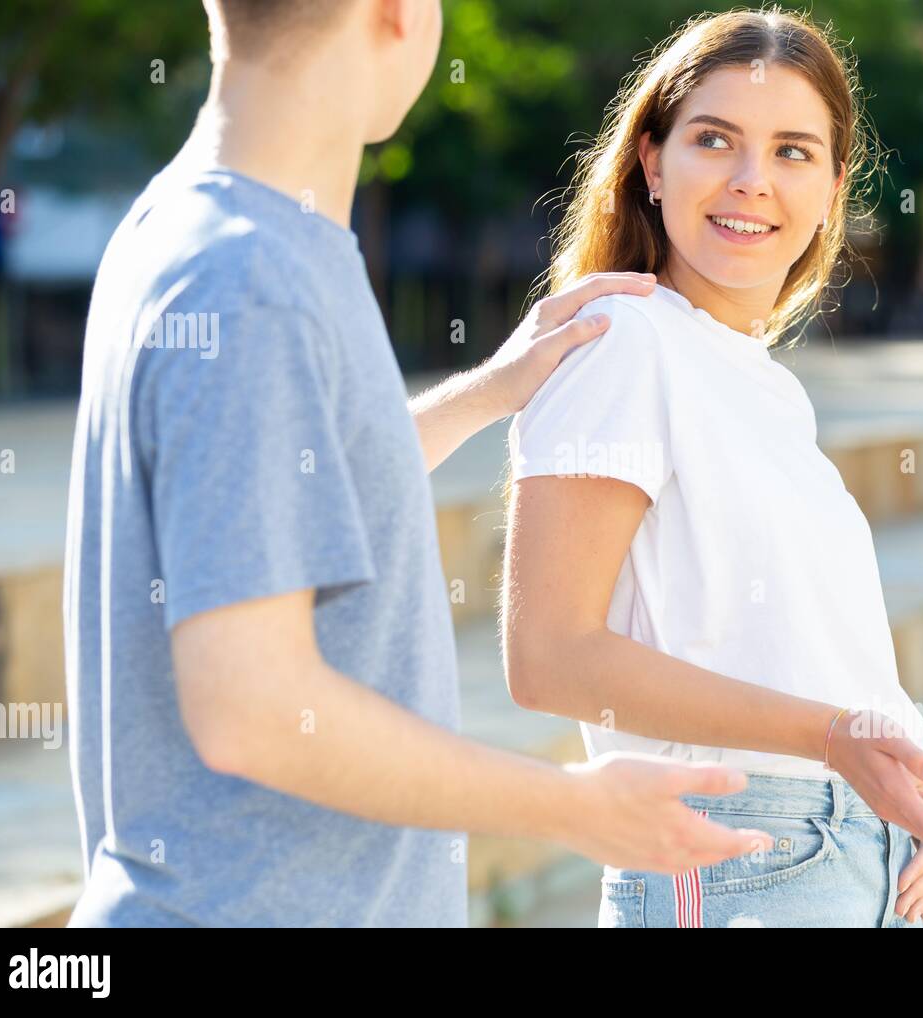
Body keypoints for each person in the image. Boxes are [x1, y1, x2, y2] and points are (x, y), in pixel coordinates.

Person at [63, 0, 778, 928]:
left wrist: (489, 389)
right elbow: (251, 707)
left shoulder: (201, 232)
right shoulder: (247, 280)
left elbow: (279, 489)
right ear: (402, 14)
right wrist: (577, 808)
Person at [502, 6, 923, 929]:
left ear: (833, 184)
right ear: (652, 163)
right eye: (714, 139)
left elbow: (802, 646)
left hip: (859, 858)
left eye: (792, 151)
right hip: (741, 859)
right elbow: (548, 659)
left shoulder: (762, 383)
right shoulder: (623, 341)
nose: (752, 182)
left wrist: (898, 788)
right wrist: (830, 743)